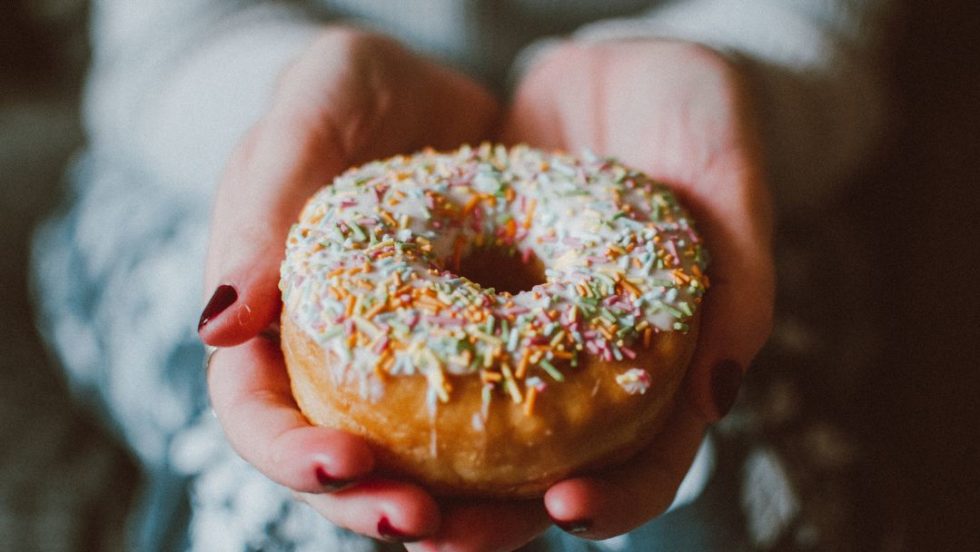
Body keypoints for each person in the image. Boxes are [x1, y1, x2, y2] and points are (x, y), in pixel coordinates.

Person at [32, 1, 893, 550]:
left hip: (691, 168)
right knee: (261, 504)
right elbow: (162, 37)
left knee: (736, 498)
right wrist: (286, 102)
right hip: (234, 148)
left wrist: (728, 78)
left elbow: (831, 22)